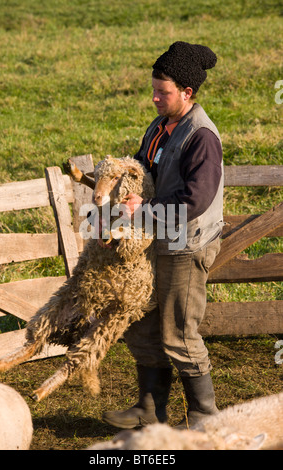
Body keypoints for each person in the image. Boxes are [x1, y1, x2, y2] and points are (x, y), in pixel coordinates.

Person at [102, 41, 224, 429]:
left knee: (179, 331)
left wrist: (146, 210)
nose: (155, 98)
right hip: (156, 241)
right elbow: (143, 167)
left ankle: (205, 417)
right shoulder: (159, 126)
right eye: (153, 89)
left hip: (186, 246)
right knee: (143, 323)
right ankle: (149, 409)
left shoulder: (201, 136)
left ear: (188, 93)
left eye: (164, 92)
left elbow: (196, 199)